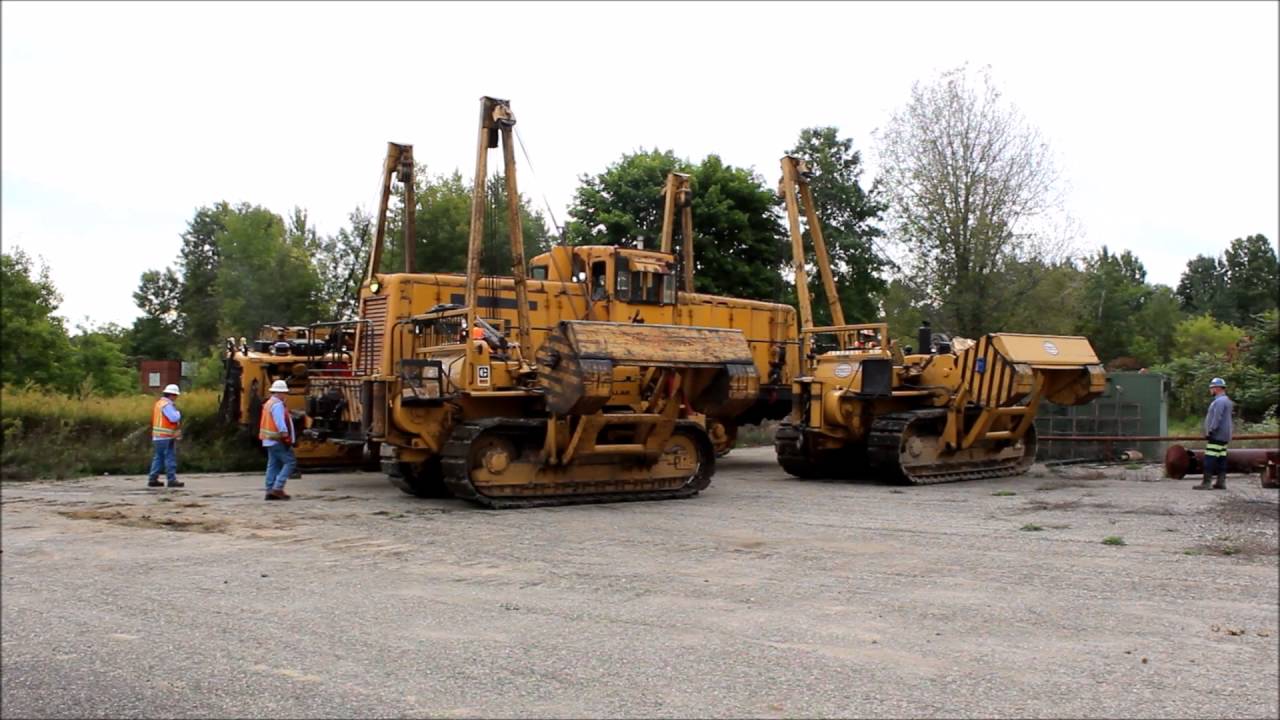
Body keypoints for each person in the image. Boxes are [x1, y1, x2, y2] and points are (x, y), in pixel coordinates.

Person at [260, 379, 296, 500]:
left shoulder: (268, 403)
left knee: (273, 465)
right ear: (280, 393)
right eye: (284, 393)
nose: (285, 395)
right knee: (290, 462)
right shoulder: (277, 405)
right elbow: (280, 422)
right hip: (278, 439)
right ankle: (278, 488)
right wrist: (286, 436)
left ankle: (270, 490)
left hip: (268, 440)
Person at [1195, 377, 1233, 491]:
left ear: (1216, 388)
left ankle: (1206, 483)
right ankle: (1221, 482)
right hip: (1225, 435)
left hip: (1217, 434)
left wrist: (1211, 430)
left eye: (1211, 388)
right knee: (1221, 458)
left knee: (1210, 458)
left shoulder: (1219, 401)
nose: (1210, 390)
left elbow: (1217, 418)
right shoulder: (1227, 400)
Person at [147, 384, 184, 488]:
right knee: (169, 457)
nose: (176, 397)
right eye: (176, 395)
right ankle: (171, 480)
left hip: (157, 436)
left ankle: (153, 479)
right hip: (166, 436)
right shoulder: (167, 405)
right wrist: (178, 413)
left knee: (158, 457)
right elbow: (173, 418)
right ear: (172, 395)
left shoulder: (158, 403)